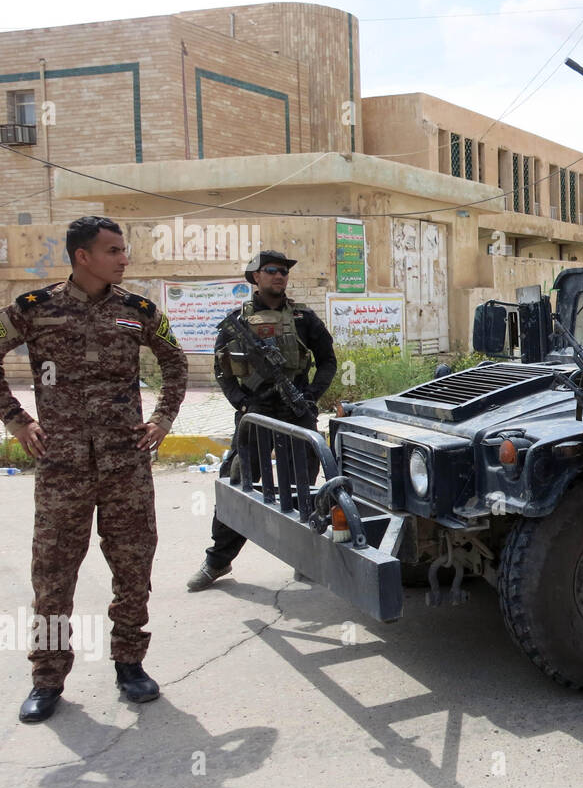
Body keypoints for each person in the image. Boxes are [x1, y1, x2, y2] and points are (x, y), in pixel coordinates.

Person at [0, 216, 188, 723]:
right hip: (62, 467)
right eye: (114, 251)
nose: (124, 259)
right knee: (53, 577)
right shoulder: (34, 309)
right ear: (83, 256)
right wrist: (17, 421)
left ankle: (130, 664)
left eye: (123, 250)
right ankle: (47, 679)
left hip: (125, 464)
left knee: (132, 568)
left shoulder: (139, 311)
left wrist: (163, 420)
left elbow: (176, 363)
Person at [187, 249, 336, 591]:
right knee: (239, 483)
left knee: (303, 487)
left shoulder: (303, 318)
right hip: (257, 414)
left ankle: (305, 557)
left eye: (283, 270)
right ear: (255, 276)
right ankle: (217, 560)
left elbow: (328, 361)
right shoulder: (236, 323)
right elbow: (221, 369)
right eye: (271, 270)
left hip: (296, 411)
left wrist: (311, 396)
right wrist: (241, 403)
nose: (279, 275)